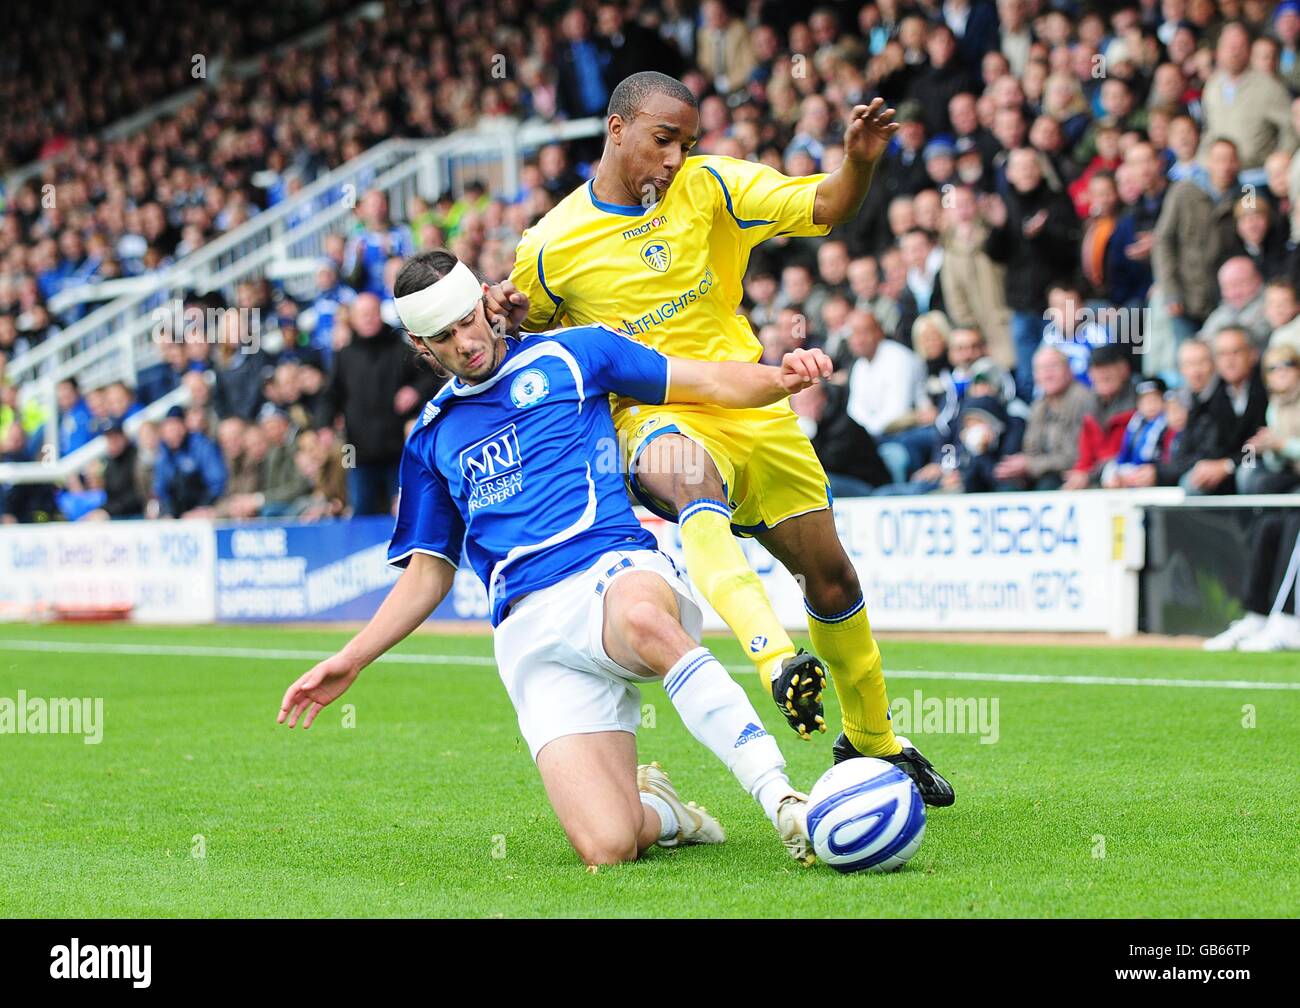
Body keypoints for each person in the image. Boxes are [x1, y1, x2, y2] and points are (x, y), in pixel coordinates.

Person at [279, 250, 830, 866]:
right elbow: (430, 573)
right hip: (529, 632)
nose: (465, 343)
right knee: (608, 846)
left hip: (611, 571)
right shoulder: (431, 437)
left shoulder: (576, 352)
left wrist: (779, 378)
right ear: (419, 343)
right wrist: (351, 659)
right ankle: (663, 811)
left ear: (486, 301)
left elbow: (701, 379)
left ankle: (780, 796)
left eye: (468, 320)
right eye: (444, 336)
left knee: (645, 620)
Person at [491, 71, 953, 804]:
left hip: (751, 403)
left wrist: (859, 160)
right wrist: (505, 314)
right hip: (653, 416)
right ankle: (773, 657)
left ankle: (872, 740)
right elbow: (527, 340)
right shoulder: (550, 245)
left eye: (687, 143)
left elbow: (827, 204)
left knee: (832, 580)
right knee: (691, 478)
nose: (675, 158)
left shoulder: (714, 188)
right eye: (662, 140)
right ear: (616, 130)